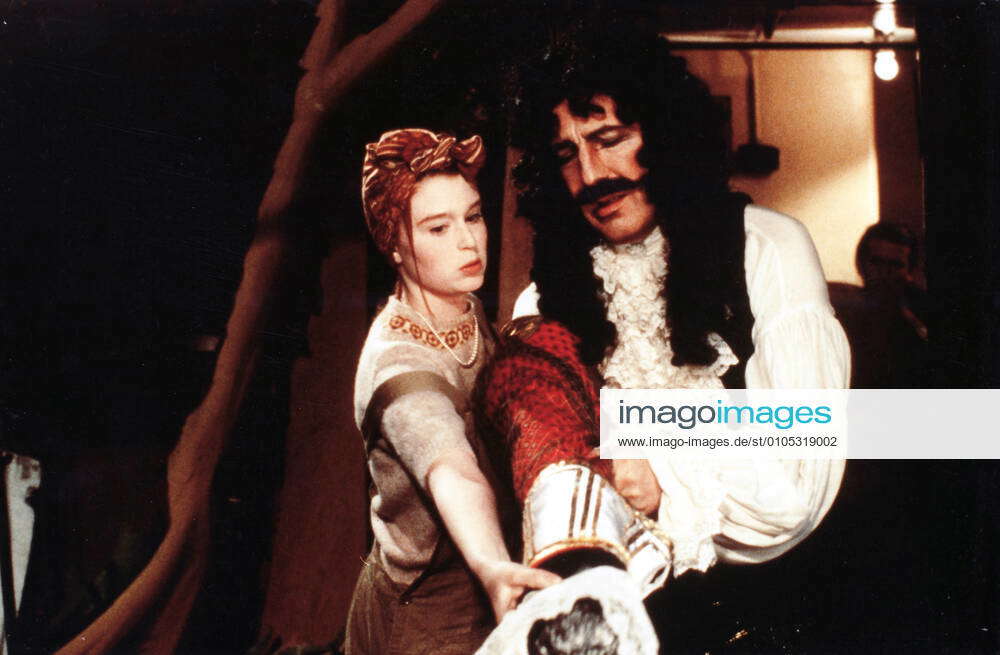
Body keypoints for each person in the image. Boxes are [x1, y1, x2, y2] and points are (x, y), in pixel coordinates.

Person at [476, 25, 850, 652]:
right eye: (567, 154)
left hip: (774, 618)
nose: (591, 175)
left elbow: (797, 476)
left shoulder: (767, 247)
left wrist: (652, 461)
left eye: (610, 140)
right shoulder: (542, 301)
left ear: (667, 133)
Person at [346, 128, 558, 655]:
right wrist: (493, 565)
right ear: (395, 245)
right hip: (429, 614)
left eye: (473, 216)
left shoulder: (461, 304)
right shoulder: (399, 368)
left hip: (486, 586)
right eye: (438, 228)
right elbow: (452, 471)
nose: (468, 241)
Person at [831, 222, 928, 387]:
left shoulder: (921, 312)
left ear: (909, 271)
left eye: (895, 265)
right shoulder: (843, 308)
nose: (884, 272)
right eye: (876, 262)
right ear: (860, 264)